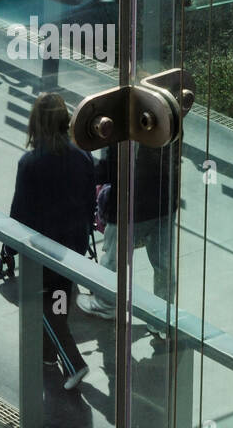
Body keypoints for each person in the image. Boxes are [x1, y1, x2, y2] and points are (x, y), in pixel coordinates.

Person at [9, 93, 95, 391]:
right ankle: (47, 354)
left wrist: (9, 248)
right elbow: (89, 201)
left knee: (43, 305)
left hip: (43, 248)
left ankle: (74, 362)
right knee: (59, 299)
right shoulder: (83, 155)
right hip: (74, 242)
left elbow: (19, 212)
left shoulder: (30, 163)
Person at [78, 141, 180, 337]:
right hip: (165, 200)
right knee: (163, 263)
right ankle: (162, 317)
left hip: (130, 203)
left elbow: (114, 165)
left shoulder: (126, 121)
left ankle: (105, 304)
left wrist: (87, 173)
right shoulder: (169, 117)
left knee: (113, 257)